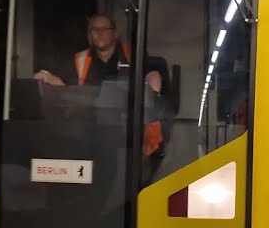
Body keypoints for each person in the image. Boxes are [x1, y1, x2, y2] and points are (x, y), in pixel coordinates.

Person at [35, 14, 170, 157]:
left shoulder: (133, 54)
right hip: (88, 128)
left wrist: (152, 93)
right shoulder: (79, 59)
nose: (99, 32)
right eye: (94, 29)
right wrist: (47, 76)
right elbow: (63, 86)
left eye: (105, 29)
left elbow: (152, 75)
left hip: (125, 129)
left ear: (115, 34)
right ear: (89, 35)